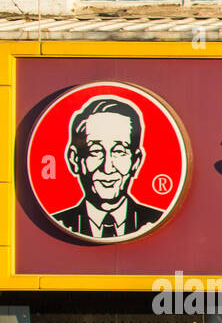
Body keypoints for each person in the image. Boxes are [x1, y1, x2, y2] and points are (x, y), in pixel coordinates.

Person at [54, 96, 163, 241]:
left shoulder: (152, 220)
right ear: (75, 159)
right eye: (96, 151)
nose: (107, 168)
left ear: (135, 161)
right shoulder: (63, 223)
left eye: (119, 151)